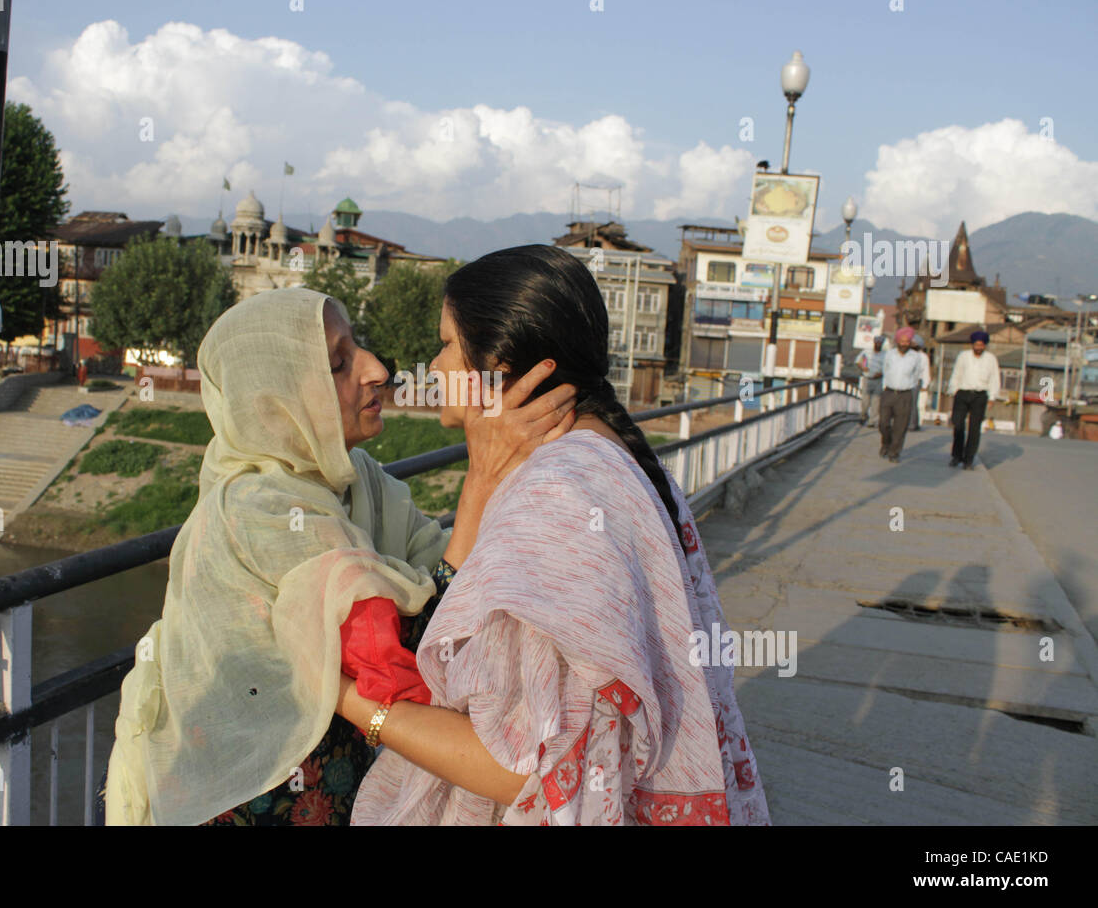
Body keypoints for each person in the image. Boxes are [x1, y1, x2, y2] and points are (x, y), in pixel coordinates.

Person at [102, 287, 575, 825]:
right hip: (257, 797)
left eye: (360, 348)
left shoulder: (355, 482)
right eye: (338, 363)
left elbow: (444, 568)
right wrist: (480, 482)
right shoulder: (259, 509)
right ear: (277, 400)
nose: (376, 370)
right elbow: (412, 658)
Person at [344, 245, 770, 826]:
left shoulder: (554, 492)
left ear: (496, 362)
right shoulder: (622, 461)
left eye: (447, 343)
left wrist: (353, 701)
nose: (434, 367)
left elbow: (521, 767)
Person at [947, 329, 1000, 470]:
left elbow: (995, 378)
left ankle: (968, 460)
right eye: (976, 345)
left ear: (985, 346)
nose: (978, 348)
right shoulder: (964, 356)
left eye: (981, 345)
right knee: (958, 425)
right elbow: (956, 373)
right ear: (972, 344)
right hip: (963, 393)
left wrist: (992, 397)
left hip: (980, 395)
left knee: (974, 429)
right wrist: (954, 390)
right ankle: (956, 456)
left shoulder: (990, 359)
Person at [878, 327, 924, 463]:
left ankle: (894, 452)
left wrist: (911, 386)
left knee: (901, 426)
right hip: (889, 392)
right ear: (897, 341)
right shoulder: (889, 354)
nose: (904, 344)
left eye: (907, 341)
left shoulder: (915, 357)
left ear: (910, 342)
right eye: (902, 341)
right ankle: (886, 443)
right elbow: (885, 370)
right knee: (883, 423)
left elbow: (916, 375)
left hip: (905, 394)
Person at [855, 335, 886, 426]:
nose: (878, 344)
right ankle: (863, 415)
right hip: (867, 378)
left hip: (879, 379)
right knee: (865, 400)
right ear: (874, 343)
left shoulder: (885, 354)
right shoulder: (867, 351)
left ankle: (872, 421)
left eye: (880, 343)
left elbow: (888, 367)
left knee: (876, 401)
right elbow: (858, 361)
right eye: (877, 343)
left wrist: (881, 373)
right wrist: (862, 367)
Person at [909, 333, 931, 432]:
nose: (913, 345)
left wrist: (925, 384)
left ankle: (913, 424)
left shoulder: (923, 356)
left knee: (913, 403)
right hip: (904, 381)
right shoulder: (907, 354)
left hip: (916, 381)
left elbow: (926, 371)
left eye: (914, 343)